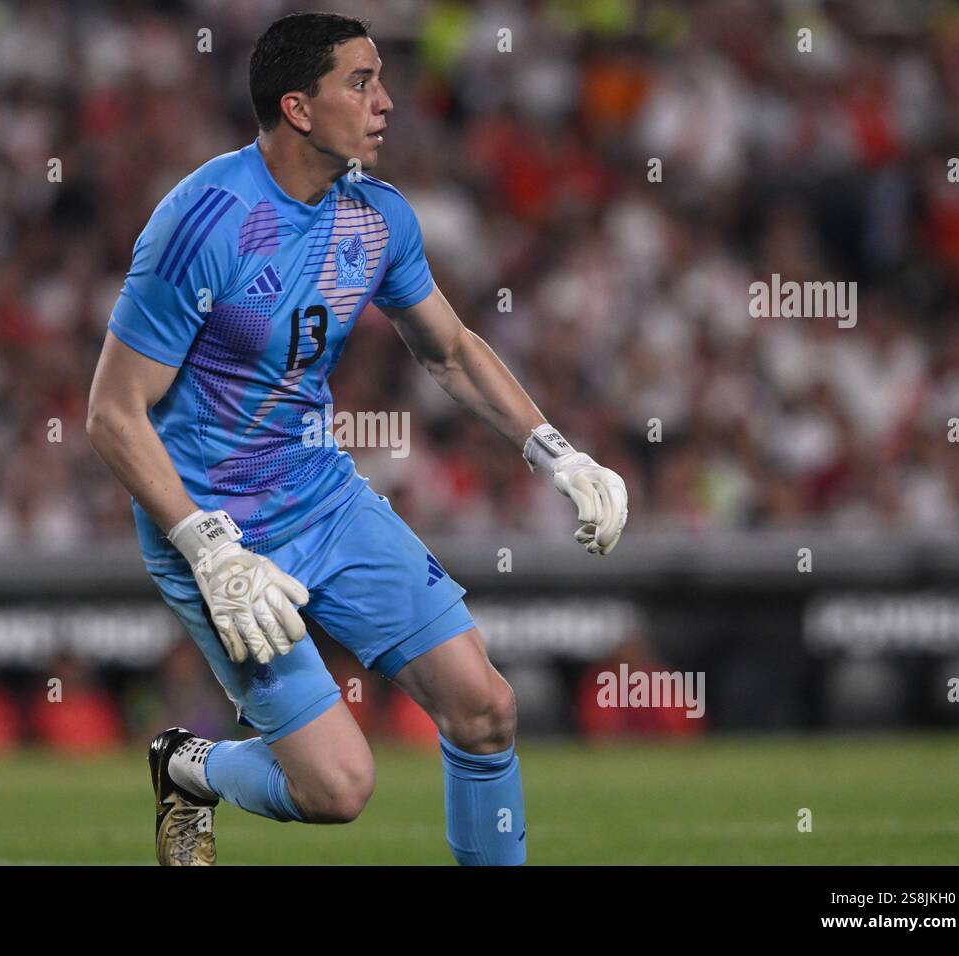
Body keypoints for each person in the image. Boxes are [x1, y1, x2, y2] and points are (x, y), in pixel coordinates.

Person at [86, 12, 627, 866]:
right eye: (362, 82)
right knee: (337, 791)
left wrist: (556, 450)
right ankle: (190, 768)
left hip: (326, 499)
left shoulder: (378, 218)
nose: (386, 101)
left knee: (485, 709)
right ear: (299, 108)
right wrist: (205, 546)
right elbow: (114, 413)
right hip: (218, 530)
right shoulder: (204, 220)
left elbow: (449, 350)